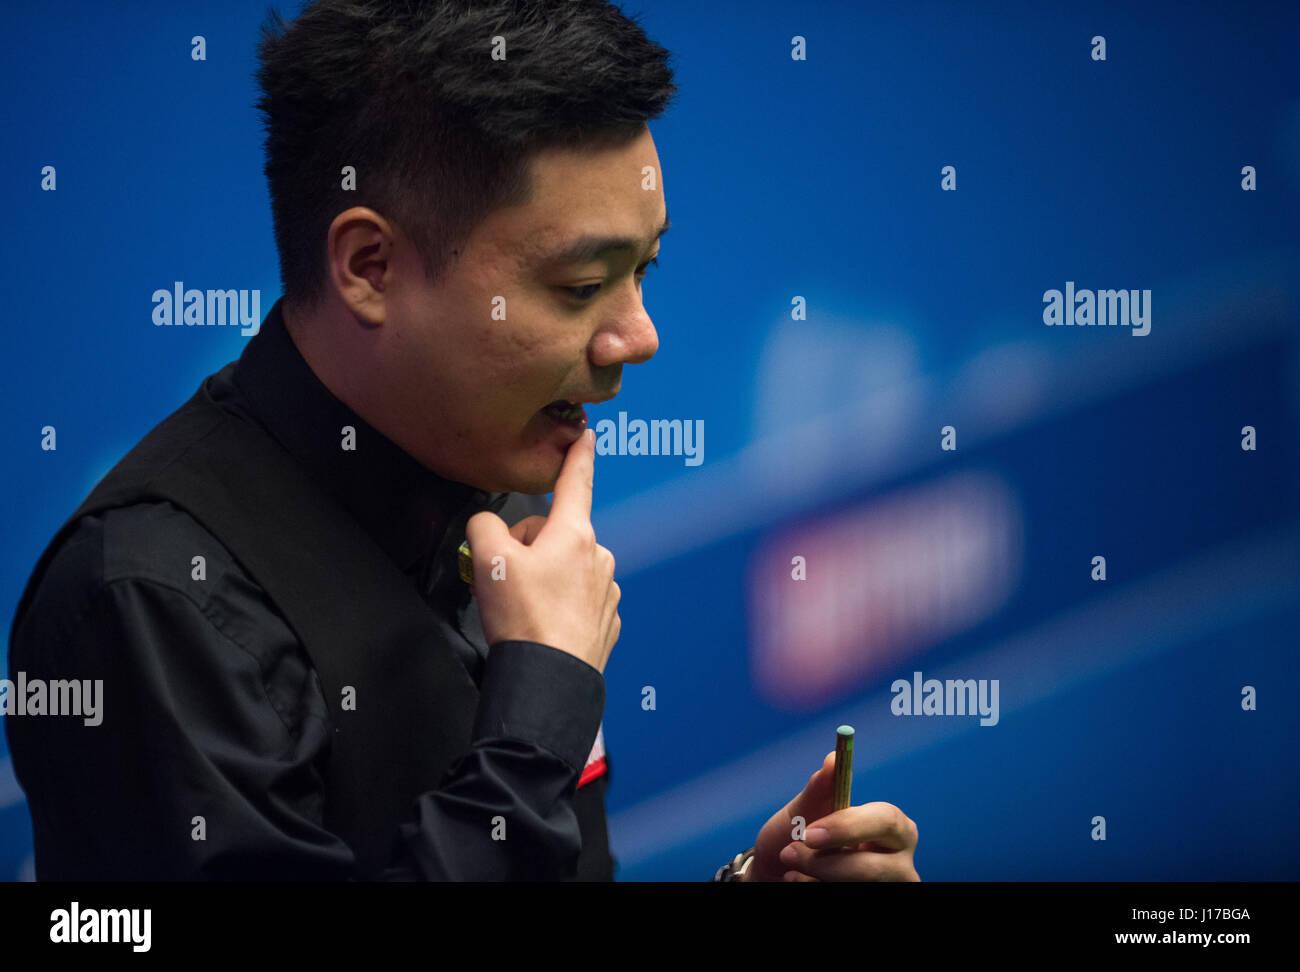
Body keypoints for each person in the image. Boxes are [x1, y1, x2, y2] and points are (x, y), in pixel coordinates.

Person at [6, 0, 920, 882]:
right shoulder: (145, 600)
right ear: (370, 267)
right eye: (581, 285)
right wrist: (534, 722)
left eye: (644, 269)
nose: (639, 337)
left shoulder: (501, 481)